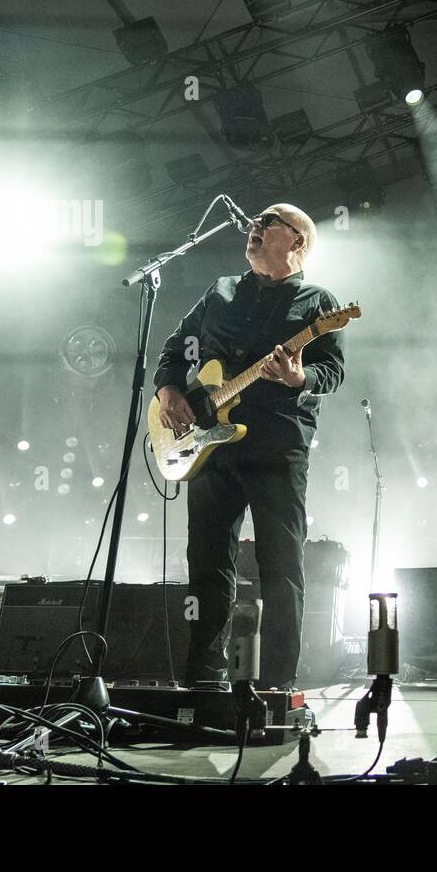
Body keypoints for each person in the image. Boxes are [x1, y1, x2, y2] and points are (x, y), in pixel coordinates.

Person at [154, 203, 345, 690]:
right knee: (207, 560)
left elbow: (333, 371)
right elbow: (175, 348)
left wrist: (300, 376)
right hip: (208, 445)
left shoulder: (318, 301)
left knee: (280, 564)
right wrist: (169, 389)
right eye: (255, 224)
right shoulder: (220, 291)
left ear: (297, 241)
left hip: (277, 445)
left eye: (267, 224)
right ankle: (202, 676)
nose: (254, 229)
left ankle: (277, 683)